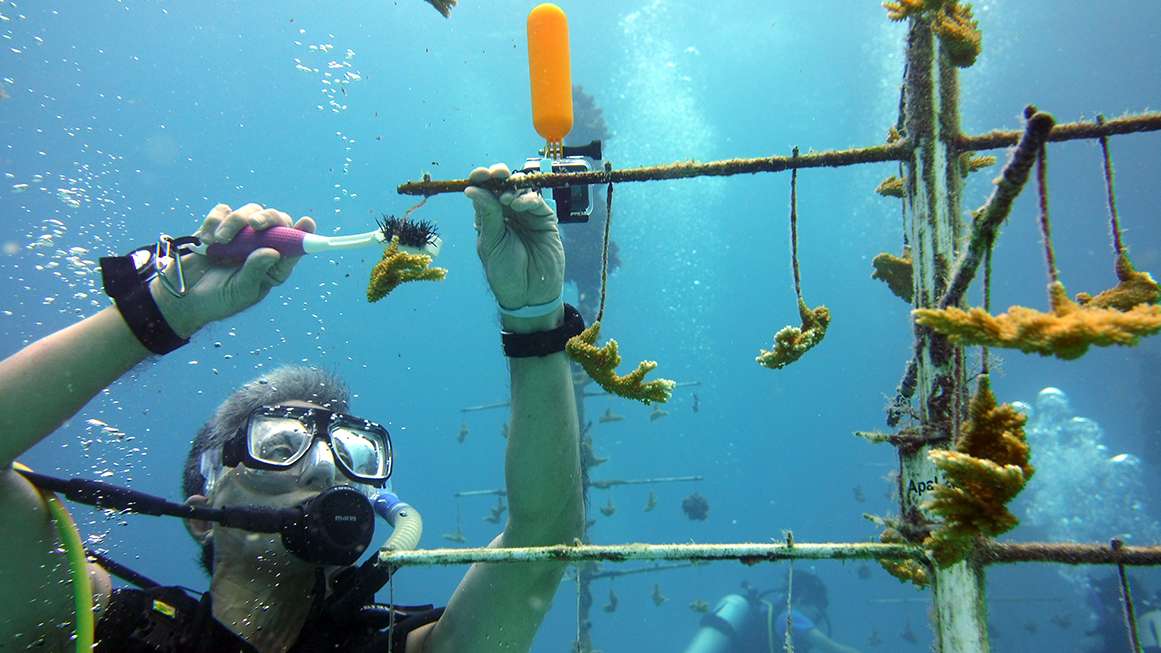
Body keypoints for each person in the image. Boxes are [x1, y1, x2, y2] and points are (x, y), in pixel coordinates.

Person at [0, 162, 584, 652]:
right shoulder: (93, 628)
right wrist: (162, 312)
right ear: (203, 516)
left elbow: (543, 537)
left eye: (353, 454)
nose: (326, 469)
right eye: (280, 446)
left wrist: (535, 320)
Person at [684, 571, 861, 653]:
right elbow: (833, 648)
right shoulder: (791, 618)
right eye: (818, 609)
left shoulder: (774, 620)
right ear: (802, 597)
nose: (817, 618)